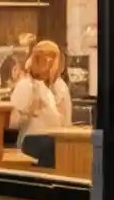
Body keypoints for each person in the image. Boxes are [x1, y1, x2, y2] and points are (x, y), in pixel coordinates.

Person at [8, 40, 72, 168]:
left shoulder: (61, 86)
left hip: (60, 140)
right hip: (34, 140)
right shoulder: (25, 86)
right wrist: (29, 111)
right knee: (49, 146)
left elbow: (67, 122)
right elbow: (12, 123)